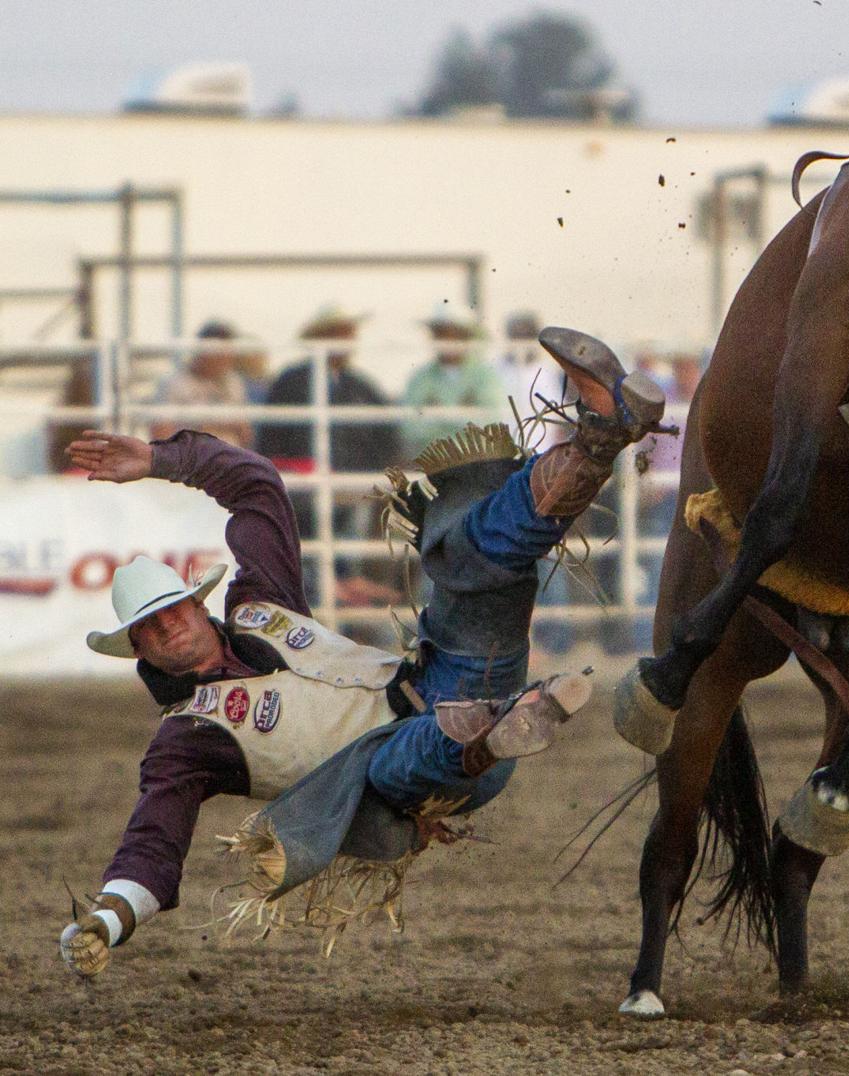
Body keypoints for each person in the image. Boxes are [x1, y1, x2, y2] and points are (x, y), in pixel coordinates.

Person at [58, 327, 667, 979]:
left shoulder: (261, 603)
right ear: (140, 650)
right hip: (410, 786)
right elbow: (153, 840)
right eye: (151, 628)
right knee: (389, 759)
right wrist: (109, 919)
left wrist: (158, 457)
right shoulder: (185, 739)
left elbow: (257, 486)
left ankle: (600, 437)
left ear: (194, 602)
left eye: (173, 608)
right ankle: (480, 739)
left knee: (469, 556)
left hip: (442, 675)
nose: (170, 626)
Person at [256, 304, 400, 474]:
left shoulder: (362, 386)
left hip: (356, 483)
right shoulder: (291, 382)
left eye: (349, 333)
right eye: (340, 333)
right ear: (320, 337)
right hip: (304, 483)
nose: (348, 340)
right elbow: (271, 437)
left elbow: (387, 436)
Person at [400, 300, 506, 454]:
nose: (447, 340)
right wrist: (464, 413)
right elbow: (410, 428)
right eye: (441, 333)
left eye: (454, 334)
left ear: (466, 337)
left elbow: (493, 422)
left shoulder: (486, 376)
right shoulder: (419, 378)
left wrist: (437, 413)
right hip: (432, 463)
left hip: (477, 462)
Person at [150, 319, 251, 447]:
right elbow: (161, 435)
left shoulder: (233, 383)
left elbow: (245, 434)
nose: (226, 360)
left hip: (229, 458)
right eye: (220, 354)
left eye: (228, 353)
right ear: (202, 352)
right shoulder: (173, 383)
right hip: (189, 460)